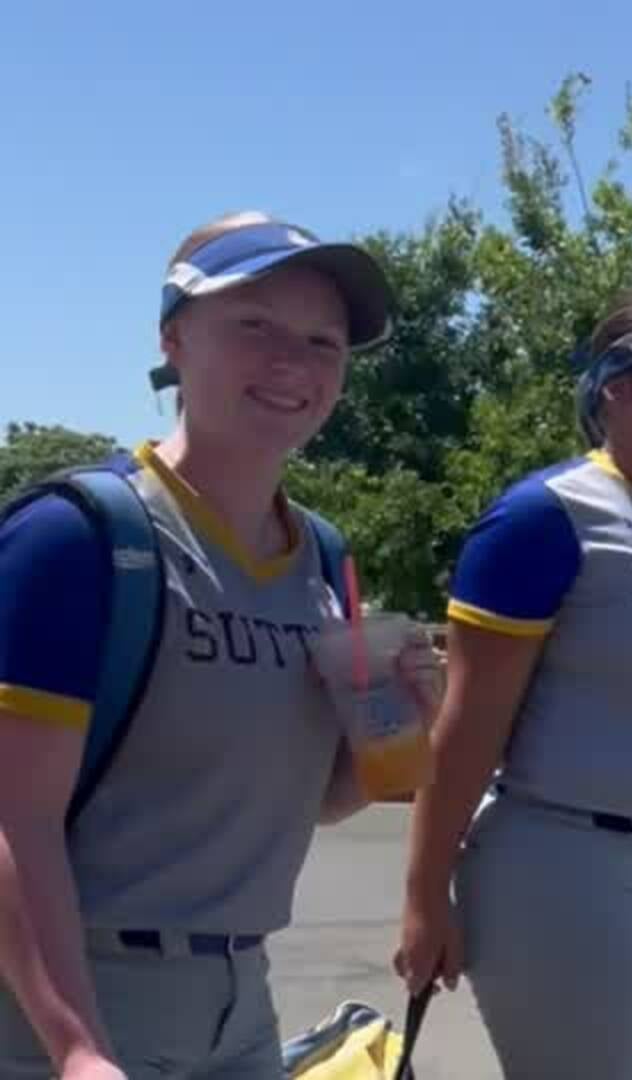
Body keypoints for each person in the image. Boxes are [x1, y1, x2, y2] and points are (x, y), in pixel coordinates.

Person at [0, 212, 398, 1078]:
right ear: (174, 339)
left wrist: (402, 726)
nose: (292, 363)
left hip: (240, 1001)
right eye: (253, 325)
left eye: (322, 341)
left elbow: (313, 800)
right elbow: (12, 818)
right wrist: (74, 1045)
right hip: (68, 997)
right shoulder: (75, 539)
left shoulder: (324, 558)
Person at [395, 287, 632, 1079]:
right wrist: (424, 896)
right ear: (617, 384)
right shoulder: (544, 518)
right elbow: (469, 727)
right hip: (554, 860)